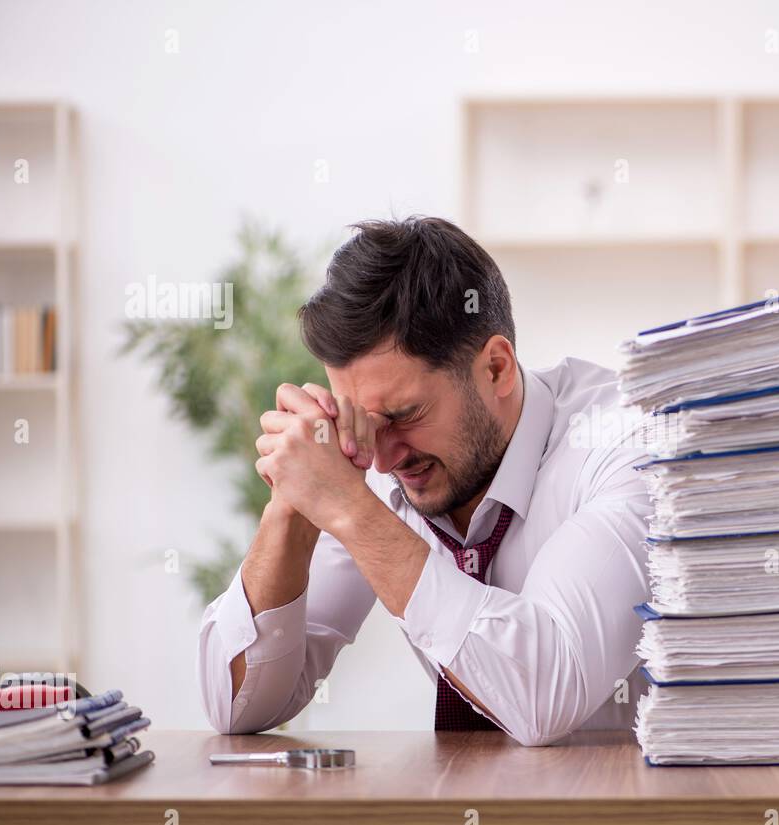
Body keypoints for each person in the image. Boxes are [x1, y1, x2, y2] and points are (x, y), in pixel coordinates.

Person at [196, 216, 652, 745]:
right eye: (362, 418)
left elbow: (543, 694)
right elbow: (237, 708)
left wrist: (348, 509)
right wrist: (292, 505)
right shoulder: (372, 461)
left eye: (405, 414)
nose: (383, 461)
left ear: (497, 368)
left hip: (649, 819)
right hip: (458, 816)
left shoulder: (626, 447)